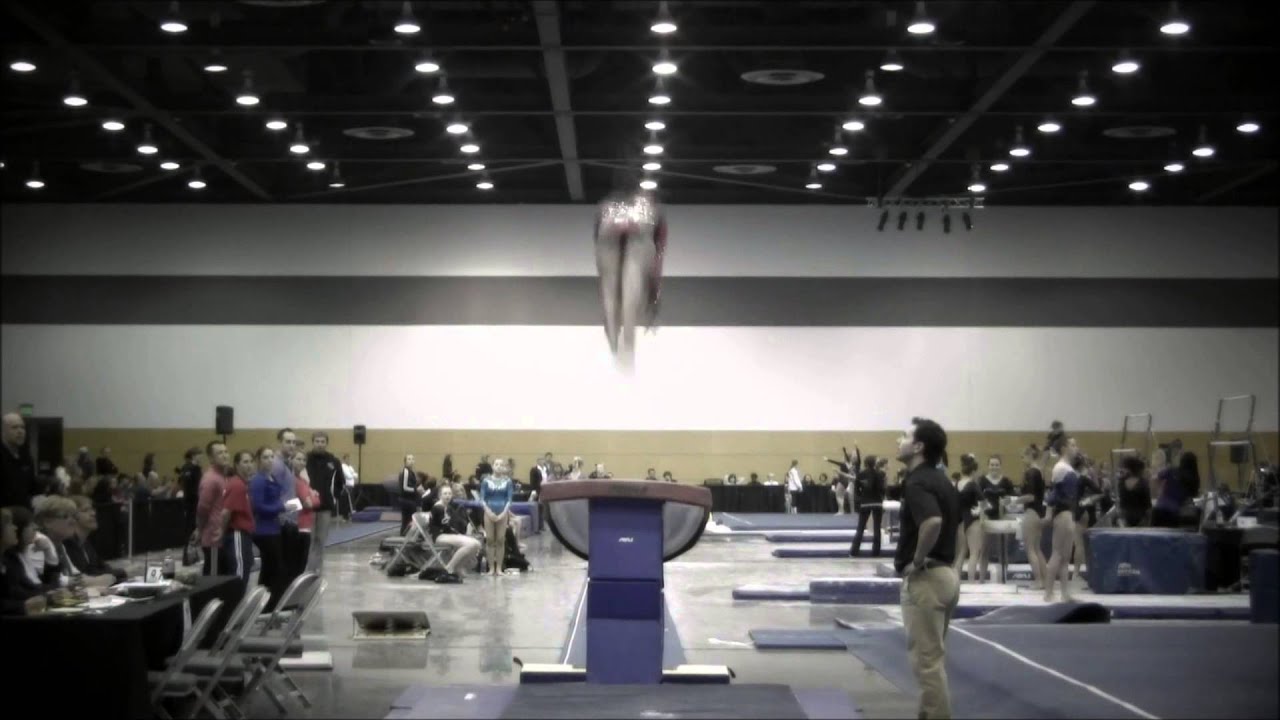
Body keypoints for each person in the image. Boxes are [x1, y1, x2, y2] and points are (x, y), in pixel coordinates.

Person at [893, 418, 961, 720]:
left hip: (928, 578)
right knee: (931, 660)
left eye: (905, 436)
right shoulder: (943, 481)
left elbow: (932, 522)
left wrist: (918, 560)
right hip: (945, 575)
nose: (899, 439)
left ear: (918, 446)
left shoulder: (917, 481)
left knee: (927, 664)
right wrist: (955, 568)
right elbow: (957, 528)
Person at [594, 190, 665, 370]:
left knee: (625, 304)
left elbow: (656, 256)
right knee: (616, 305)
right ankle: (617, 350)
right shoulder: (612, 214)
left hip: (631, 254)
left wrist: (654, 292)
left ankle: (621, 351)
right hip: (616, 254)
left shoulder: (644, 218)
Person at [249, 447, 290, 610]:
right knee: (275, 568)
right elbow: (258, 506)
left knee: (270, 568)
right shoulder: (258, 480)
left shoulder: (272, 477)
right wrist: (281, 507)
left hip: (274, 527)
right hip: (263, 530)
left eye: (272, 456)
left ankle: (266, 605)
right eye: (265, 457)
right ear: (258, 460)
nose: (269, 460)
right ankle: (269, 605)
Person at [1044, 431, 1082, 603]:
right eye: (1073, 445)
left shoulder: (1067, 468)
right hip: (1063, 514)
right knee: (1057, 554)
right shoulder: (1060, 468)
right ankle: (1048, 593)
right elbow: (1052, 495)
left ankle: (1064, 593)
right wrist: (1049, 513)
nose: (1076, 448)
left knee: (1066, 557)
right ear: (1064, 448)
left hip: (1069, 514)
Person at [304, 432, 343, 573]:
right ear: (313, 442)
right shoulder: (305, 459)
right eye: (317, 441)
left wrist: (334, 496)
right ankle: (307, 569)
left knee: (321, 540)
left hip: (325, 507)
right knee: (309, 540)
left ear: (326, 443)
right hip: (307, 507)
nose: (320, 444)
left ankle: (317, 569)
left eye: (322, 441)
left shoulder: (333, 461)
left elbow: (340, 482)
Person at [426, 485, 481, 584]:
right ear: (440, 495)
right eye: (445, 494)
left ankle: (459, 566)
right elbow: (447, 526)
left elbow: (456, 522)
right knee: (471, 544)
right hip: (439, 536)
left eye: (449, 493)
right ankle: (449, 568)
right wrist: (459, 534)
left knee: (477, 544)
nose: (447, 496)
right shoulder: (438, 508)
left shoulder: (448, 507)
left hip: (448, 534)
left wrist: (462, 531)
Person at [64, 495, 126, 582]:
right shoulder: (68, 543)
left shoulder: (86, 543)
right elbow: (85, 574)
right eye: (86, 510)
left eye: (92, 509)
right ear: (73, 517)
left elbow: (103, 567)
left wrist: (116, 574)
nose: (93, 513)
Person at [1, 507, 47, 615]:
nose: (15, 528)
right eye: (9, 524)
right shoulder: (9, 558)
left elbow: (20, 590)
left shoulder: (7, 559)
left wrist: (49, 596)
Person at [1015, 444, 1048, 590]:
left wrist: (1014, 501)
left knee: (1030, 549)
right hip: (1039, 511)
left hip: (1031, 512)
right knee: (1037, 548)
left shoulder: (1031, 473)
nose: (1022, 460)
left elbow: (1030, 496)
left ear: (1029, 456)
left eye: (1023, 457)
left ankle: (1039, 580)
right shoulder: (1040, 472)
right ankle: (1045, 580)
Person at [977, 455, 1015, 582]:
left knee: (1002, 550)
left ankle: (1003, 578)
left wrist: (1007, 501)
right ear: (988, 466)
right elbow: (977, 499)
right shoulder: (982, 481)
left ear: (1000, 466)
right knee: (984, 548)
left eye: (996, 465)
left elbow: (1013, 498)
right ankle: (981, 578)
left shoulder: (1006, 481)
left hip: (1002, 516)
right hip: (986, 516)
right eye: (992, 464)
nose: (994, 467)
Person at [196, 441, 230, 577]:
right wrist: (200, 530)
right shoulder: (210, 479)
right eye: (220, 453)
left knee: (222, 576)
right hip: (213, 538)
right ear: (211, 458)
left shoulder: (223, 477)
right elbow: (202, 509)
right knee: (213, 578)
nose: (225, 455)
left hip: (223, 536)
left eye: (226, 452)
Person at [223, 451, 257, 587]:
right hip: (237, 534)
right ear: (236, 465)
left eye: (250, 461)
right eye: (245, 462)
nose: (249, 465)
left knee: (245, 570)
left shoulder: (243, 484)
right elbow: (225, 513)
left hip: (245, 535)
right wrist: (219, 535)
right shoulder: (237, 485)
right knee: (240, 575)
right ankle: (235, 605)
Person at [952, 454, 984, 583]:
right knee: (974, 553)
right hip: (972, 519)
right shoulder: (973, 485)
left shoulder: (957, 484)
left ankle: (955, 580)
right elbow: (983, 503)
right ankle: (971, 582)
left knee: (961, 553)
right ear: (974, 471)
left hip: (960, 520)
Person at [480, 457, 514, 576]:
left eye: (501, 465)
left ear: (504, 467)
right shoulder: (486, 481)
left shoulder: (508, 481)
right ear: (493, 466)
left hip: (502, 512)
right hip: (489, 511)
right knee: (489, 539)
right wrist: (488, 512)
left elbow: (509, 499)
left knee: (500, 540)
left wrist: (503, 513)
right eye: (497, 464)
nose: (499, 466)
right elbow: (482, 499)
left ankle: (498, 568)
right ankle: (490, 568)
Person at [291, 451, 320, 576]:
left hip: (306, 525)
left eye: (304, 460)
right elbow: (309, 503)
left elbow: (313, 501)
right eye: (298, 459)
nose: (301, 462)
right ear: (291, 460)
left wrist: (313, 498)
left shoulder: (302, 480)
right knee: (297, 564)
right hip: (299, 525)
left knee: (301, 563)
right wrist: (313, 497)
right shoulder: (294, 481)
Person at [851, 455, 885, 557]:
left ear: (865, 463)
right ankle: (876, 552)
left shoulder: (860, 474)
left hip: (865, 502)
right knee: (877, 528)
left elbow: (856, 490)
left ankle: (854, 551)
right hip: (877, 502)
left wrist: (861, 498)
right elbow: (882, 489)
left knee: (860, 527)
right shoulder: (879, 474)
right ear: (875, 463)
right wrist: (881, 497)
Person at [0, 413, 35, 510]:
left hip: (25, 512)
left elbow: (31, 487)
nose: (20, 431)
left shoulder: (26, 457)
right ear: (3, 431)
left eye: (22, 428)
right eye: (14, 428)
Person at [1116, 455, 1151, 528]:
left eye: (1124, 468)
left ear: (1129, 469)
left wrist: (1121, 518)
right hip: (1141, 517)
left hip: (1126, 517)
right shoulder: (1143, 483)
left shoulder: (1121, 483)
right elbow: (1147, 504)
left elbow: (1121, 504)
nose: (1123, 470)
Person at [179, 446, 204, 537]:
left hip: (187, 499)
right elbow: (198, 485)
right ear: (194, 456)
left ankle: (189, 546)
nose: (201, 457)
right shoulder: (196, 468)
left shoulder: (184, 467)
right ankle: (192, 546)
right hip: (195, 500)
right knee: (194, 525)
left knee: (189, 524)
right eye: (200, 455)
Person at [399, 454, 422, 535]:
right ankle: (404, 535)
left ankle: (405, 534)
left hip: (410, 499)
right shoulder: (405, 472)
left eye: (412, 459)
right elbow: (405, 487)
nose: (411, 461)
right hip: (406, 500)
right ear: (405, 462)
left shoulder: (411, 472)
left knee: (408, 519)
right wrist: (416, 490)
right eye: (409, 459)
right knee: (407, 519)